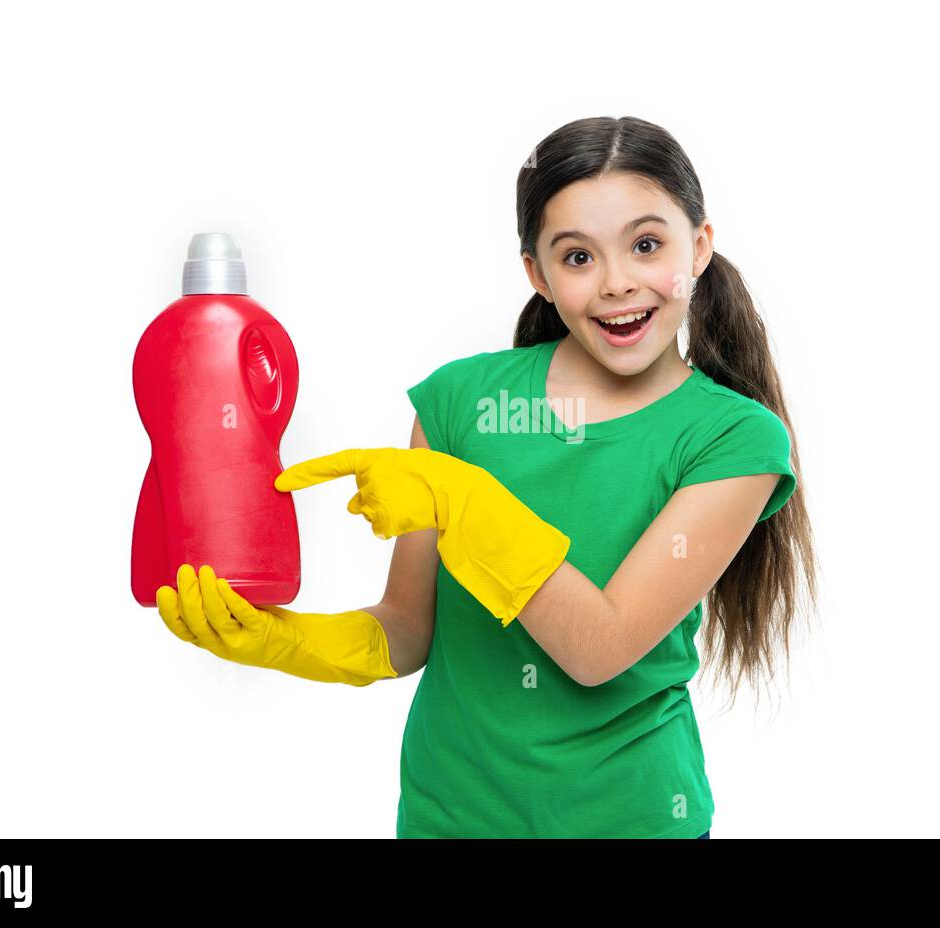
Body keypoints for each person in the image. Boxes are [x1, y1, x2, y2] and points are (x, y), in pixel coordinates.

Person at [156, 115, 818, 839]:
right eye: (577, 258)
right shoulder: (459, 404)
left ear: (699, 247)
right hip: (448, 822)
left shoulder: (735, 439)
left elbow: (599, 648)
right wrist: (284, 640)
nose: (617, 283)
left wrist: (466, 501)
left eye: (647, 245)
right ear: (537, 272)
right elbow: (406, 632)